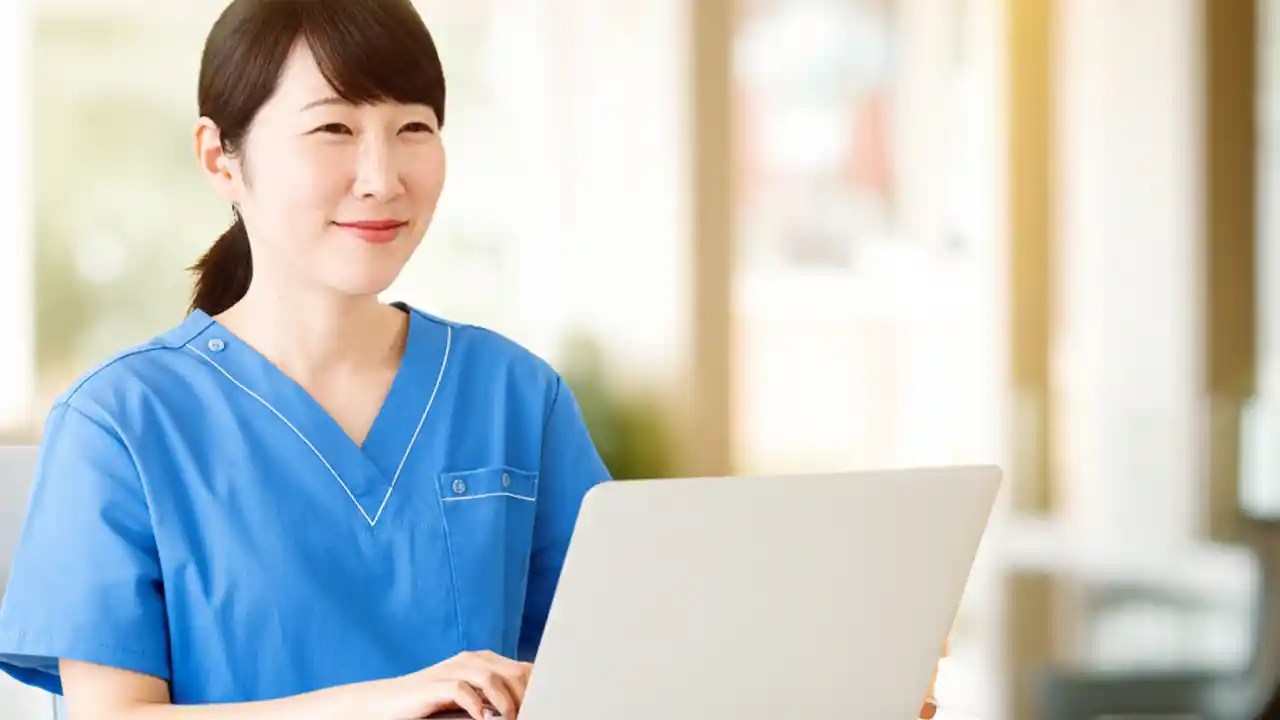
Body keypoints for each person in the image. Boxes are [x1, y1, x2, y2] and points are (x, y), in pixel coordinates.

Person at [0, 1, 611, 718]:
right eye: (334, 128)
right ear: (219, 158)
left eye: (414, 126)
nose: (382, 178)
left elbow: (608, 669)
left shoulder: (516, 396)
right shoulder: (120, 423)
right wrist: (389, 701)